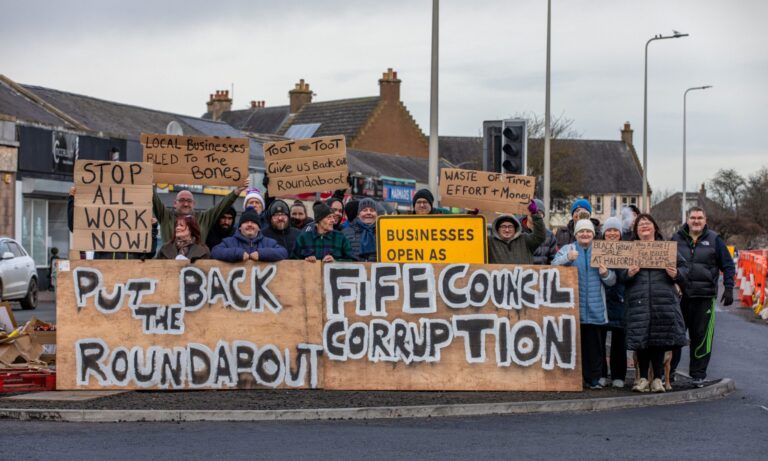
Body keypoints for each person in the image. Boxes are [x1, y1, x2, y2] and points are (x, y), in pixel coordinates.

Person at [670, 206, 736, 386]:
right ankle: (669, 372)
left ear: (705, 220)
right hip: (679, 298)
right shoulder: (676, 238)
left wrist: (729, 288)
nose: (696, 221)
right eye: (693, 218)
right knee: (674, 337)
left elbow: (728, 266)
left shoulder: (715, 240)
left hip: (704, 297)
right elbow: (665, 264)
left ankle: (698, 374)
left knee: (701, 337)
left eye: (699, 218)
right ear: (687, 219)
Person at [622, 213, 687, 393]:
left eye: (647, 223)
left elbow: (685, 270)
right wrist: (628, 273)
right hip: (639, 300)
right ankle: (643, 379)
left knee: (659, 340)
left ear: (654, 228)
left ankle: (657, 379)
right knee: (642, 341)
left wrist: (675, 275)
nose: (644, 226)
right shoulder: (629, 250)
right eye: (640, 224)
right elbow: (620, 275)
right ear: (636, 230)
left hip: (662, 300)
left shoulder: (666, 249)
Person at [553, 219, 616, 389]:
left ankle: (593, 380)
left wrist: (605, 274)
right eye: (581, 231)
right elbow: (552, 268)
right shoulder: (569, 249)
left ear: (593, 234)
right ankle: (576, 380)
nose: (585, 234)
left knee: (595, 349)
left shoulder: (602, 251)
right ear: (576, 234)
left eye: (588, 232)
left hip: (596, 310)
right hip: (573, 310)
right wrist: (567, 258)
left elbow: (612, 281)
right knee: (574, 348)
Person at [67, 186, 159, 259]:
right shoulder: (101, 227)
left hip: (130, 277)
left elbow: (149, 253)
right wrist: (72, 199)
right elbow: (74, 227)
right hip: (104, 275)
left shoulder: (137, 230)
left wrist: (153, 229)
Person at [153, 182, 246, 243]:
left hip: (195, 267)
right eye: (182, 200)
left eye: (189, 201)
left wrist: (236, 192)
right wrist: (149, 186)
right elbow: (154, 200)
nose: (185, 204)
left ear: (194, 204)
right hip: (168, 266)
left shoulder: (203, 218)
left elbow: (221, 207)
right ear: (175, 203)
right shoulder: (165, 216)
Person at [599, 216, 628, 388]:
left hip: (621, 299)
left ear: (620, 233)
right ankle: (601, 374)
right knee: (599, 341)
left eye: (615, 230)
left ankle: (619, 375)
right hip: (601, 299)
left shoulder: (627, 250)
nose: (611, 233)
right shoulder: (598, 249)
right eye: (608, 230)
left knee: (619, 340)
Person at [211, 207, 288, 263]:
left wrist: (261, 254)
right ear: (240, 227)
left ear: (259, 228)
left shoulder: (270, 243)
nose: (250, 225)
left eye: (254, 222)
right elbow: (215, 252)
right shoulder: (228, 242)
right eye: (246, 222)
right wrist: (238, 254)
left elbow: (283, 252)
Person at [522, 199, 558, 265]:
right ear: (527, 212)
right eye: (532, 211)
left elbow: (554, 260)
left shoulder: (550, 236)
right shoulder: (517, 231)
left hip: (541, 274)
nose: (535, 214)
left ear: (543, 216)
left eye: (539, 213)